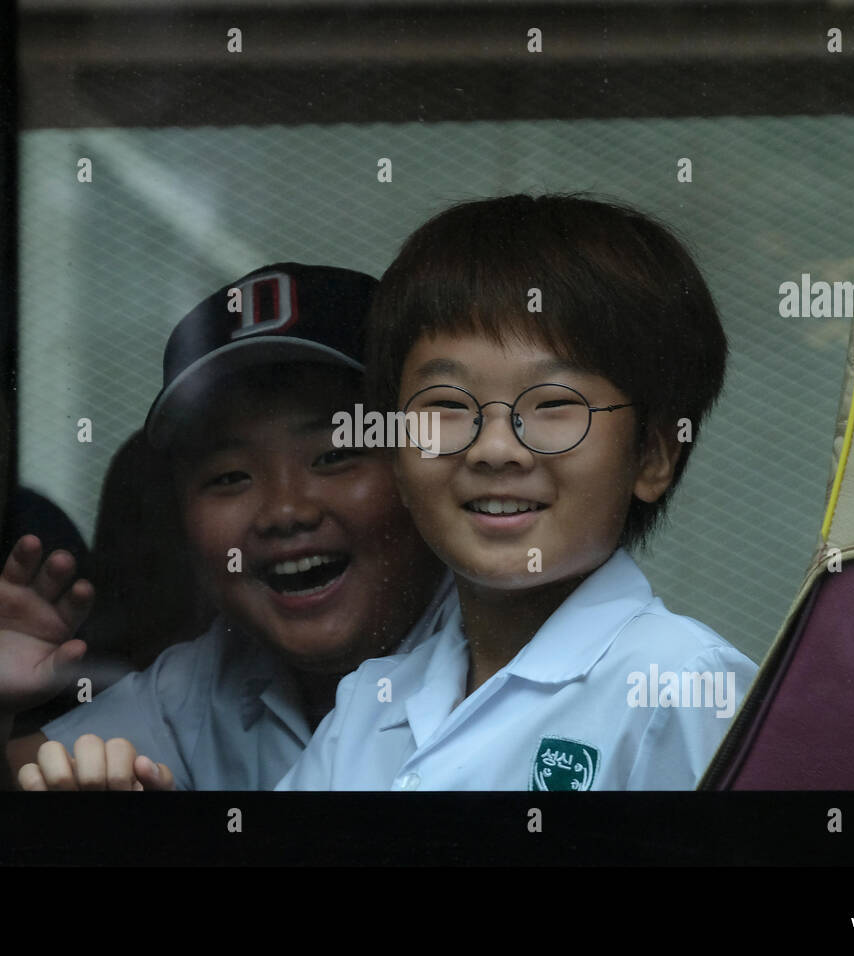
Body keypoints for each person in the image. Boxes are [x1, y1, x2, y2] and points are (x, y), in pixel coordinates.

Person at [0, 263, 450, 791]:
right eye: (230, 476)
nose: (285, 510)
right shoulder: (204, 686)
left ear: (425, 464)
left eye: (334, 456)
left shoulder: (499, 653)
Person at [277, 194, 758, 791]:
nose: (495, 448)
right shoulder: (369, 709)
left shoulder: (683, 685)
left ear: (653, 455)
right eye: (447, 406)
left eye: (555, 404)